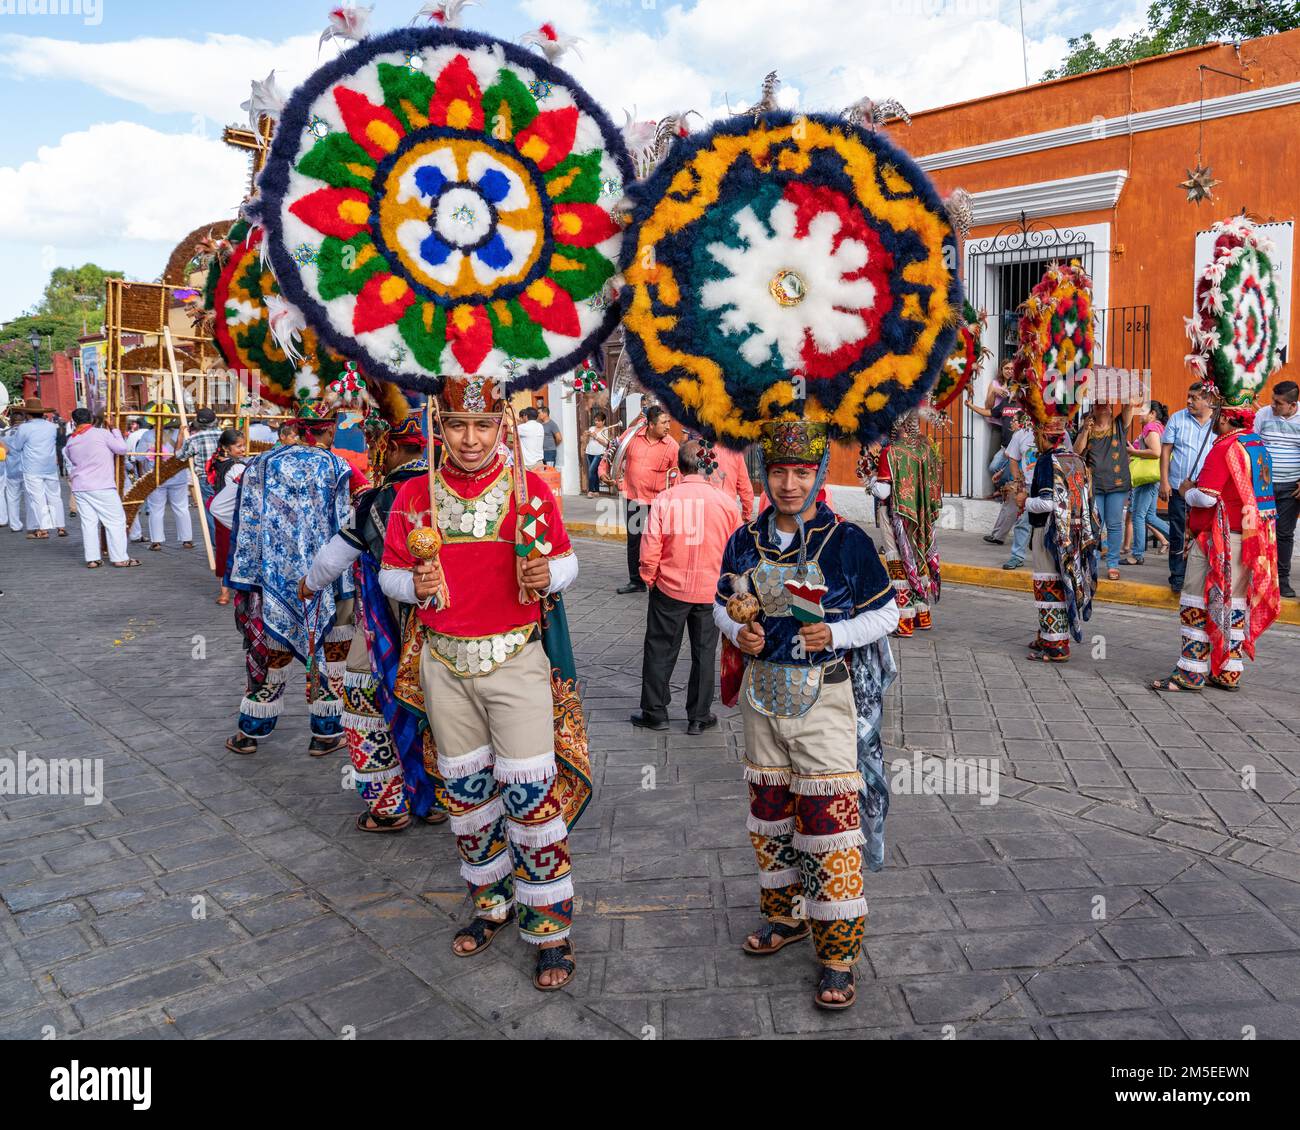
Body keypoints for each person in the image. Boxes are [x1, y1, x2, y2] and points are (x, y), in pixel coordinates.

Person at [380, 375, 590, 992]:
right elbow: (391, 571)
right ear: (438, 427)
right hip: (443, 664)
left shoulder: (532, 493)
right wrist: (410, 587)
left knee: (529, 799)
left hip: (515, 661)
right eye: (457, 426)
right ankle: (491, 903)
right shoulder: (413, 495)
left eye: (482, 426)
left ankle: (550, 929)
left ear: (500, 425)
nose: (469, 440)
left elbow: (568, 562)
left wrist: (546, 572)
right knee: (468, 797)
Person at [713, 419, 899, 1010]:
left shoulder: (849, 541)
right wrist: (736, 630)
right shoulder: (745, 540)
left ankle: (838, 951)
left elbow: (888, 614)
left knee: (828, 825)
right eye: (778, 471)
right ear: (764, 471)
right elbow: (721, 604)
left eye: (801, 472)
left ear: (819, 472)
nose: (789, 485)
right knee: (769, 817)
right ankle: (785, 916)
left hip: (825, 696)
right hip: (761, 699)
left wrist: (837, 633)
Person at [299, 415, 445, 833]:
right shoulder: (448, 491)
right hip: (447, 625)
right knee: (439, 707)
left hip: (387, 623)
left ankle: (388, 805)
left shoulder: (379, 498)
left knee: (365, 698)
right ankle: (436, 798)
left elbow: (336, 555)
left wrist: (308, 584)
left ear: (392, 451)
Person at [224, 405, 355, 758]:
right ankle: (325, 733)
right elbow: (346, 525)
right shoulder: (336, 466)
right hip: (329, 578)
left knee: (274, 656)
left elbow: (231, 512)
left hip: (272, 581)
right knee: (332, 655)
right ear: (327, 431)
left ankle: (250, 731)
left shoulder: (261, 464)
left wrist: (254, 564)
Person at [1152, 402, 1280, 692]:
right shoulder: (1256, 445)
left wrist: (1187, 491)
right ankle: (1228, 670)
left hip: (1219, 540)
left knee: (1195, 600)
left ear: (1223, 417)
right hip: (1247, 539)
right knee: (1234, 604)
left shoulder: (1224, 447)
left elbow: (1208, 497)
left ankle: (1192, 672)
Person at [632, 440, 741, 735]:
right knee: (705, 653)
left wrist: (649, 576)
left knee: (659, 649)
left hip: (669, 586)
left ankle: (655, 711)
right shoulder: (727, 504)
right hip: (711, 591)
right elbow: (736, 552)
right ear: (709, 466)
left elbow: (650, 544)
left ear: (679, 466)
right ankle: (699, 715)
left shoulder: (665, 500)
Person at [1020, 410, 1100, 662]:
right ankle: (1048, 635)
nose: (1034, 439)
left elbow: (1048, 503)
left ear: (1045, 435)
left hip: (1050, 530)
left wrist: (1025, 501)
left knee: (1048, 585)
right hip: (1073, 533)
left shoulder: (1046, 461)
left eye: (1036, 434)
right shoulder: (1074, 458)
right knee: (1062, 581)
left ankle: (1056, 646)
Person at [869, 408, 942, 635]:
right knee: (918, 559)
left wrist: (869, 481)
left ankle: (904, 621)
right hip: (921, 518)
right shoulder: (926, 451)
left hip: (895, 515)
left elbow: (883, 491)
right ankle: (923, 615)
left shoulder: (891, 452)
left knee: (898, 563)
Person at [63, 407, 137, 569]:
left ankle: (92, 558)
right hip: (101, 484)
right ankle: (119, 557)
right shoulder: (101, 434)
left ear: (75, 421)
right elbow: (121, 449)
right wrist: (114, 429)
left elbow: (69, 458)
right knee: (115, 521)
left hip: (80, 486)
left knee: (89, 523)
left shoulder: (72, 440)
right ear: (91, 418)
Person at [616, 405, 679, 594]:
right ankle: (636, 581)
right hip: (633, 497)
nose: (668, 426)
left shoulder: (672, 446)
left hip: (658, 502)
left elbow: (678, 475)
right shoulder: (631, 436)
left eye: (669, 422)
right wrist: (605, 472)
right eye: (664, 423)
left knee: (658, 541)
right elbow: (613, 453)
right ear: (650, 425)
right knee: (634, 540)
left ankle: (659, 581)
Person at [1161, 381, 1217, 594]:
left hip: (1208, 492)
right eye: (1189, 396)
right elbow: (1166, 451)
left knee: (1205, 534)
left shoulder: (1219, 421)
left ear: (1208, 400)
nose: (1189, 401)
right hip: (1178, 488)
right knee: (1178, 533)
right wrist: (1164, 482)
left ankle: (1203, 576)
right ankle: (1177, 576)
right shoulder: (1177, 418)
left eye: (1194, 397)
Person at [1075, 401, 1134, 580]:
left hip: (1117, 485)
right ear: (1093, 409)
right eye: (1099, 405)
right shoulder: (1088, 428)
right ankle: (1091, 562)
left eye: (1106, 405)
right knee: (1094, 526)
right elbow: (1077, 452)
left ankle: (1113, 563)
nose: (1103, 407)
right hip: (1095, 485)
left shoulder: (1119, 424)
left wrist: (1127, 396)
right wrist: (1085, 430)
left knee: (1115, 524)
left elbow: (1129, 407)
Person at [1253, 378, 1300, 598]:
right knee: (1259, 531)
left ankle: (1282, 580)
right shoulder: (1263, 414)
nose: (1273, 405)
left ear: (1293, 405)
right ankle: (1259, 578)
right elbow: (1252, 444)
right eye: (1273, 400)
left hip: (1292, 489)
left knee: (1284, 535)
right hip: (1263, 487)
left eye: (1279, 403)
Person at [7, 398, 66, 539]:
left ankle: (43, 528)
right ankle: (61, 526)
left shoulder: (25, 428)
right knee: (55, 497)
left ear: (28, 414)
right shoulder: (51, 426)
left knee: (38, 498)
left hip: (32, 468)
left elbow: (17, 446)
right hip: (50, 466)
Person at [137, 412, 193, 551]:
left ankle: (156, 541)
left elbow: (138, 457)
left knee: (156, 509)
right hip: (178, 475)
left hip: (157, 476)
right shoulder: (179, 433)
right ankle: (187, 540)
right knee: (181, 508)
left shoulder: (147, 435)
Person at [1125, 400, 1170, 566]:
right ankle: (1179, 537)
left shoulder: (1150, 428)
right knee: (1149, 516)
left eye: (1143, 410)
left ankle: (1137, 555)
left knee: (1138, 516)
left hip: (1146, 478)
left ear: (1153, 414)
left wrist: (1133, 451)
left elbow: (1156, 452)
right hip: (1152, 477)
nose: (1139, 413)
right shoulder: (1159, 427)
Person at [207, 429, 248, 604]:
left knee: (223, 551)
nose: (243, 449)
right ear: (226, 447)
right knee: (239, 551)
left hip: (219, 512)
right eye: (238, 446)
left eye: (243, 445)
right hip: (234, 513)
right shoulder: (238, 467)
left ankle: (224, 592)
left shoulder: (216, 463)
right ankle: (238, 590)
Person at [1000, 411, 1041, 569]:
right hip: (1027, 484)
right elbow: (1013, 458)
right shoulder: (1021, 434)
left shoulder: (1057, 431)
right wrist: (1019, 483)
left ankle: (1050, 557)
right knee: (1022, 521)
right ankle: (1017, 556)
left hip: (1048, 486)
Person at [179, 407, 223, 546]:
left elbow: (180, 456)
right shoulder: (224, 435)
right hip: (225, 476)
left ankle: (216, 545)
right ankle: (226, 543)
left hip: (206, 478)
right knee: (225, 509)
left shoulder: (193, 439)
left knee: (210, 512)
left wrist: (181, 436)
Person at [706, 442, 755, 522]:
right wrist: (746, 515)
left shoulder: (699, 449)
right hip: (728, 508)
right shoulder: (735, 453)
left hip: (706, 509)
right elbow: (745, 487)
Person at [1, 413, 24, 532]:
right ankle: (35, 525)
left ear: (11, 422)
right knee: (31, 498)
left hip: (11, 470)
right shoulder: (27, 432)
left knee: (12, 498)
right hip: (28, 470)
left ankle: (15, 525)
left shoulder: (3, 434)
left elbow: (4, 452)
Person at [583, 409, 612, 497]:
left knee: (591, 470)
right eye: (595, 420)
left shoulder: (605, 430)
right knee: (594, 472)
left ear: (603, 421)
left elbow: (606, 443)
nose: (597, 422)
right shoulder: (591, 428)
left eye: (599, 421)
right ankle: (596, 491)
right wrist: (587, 435)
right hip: (589, 452)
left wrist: (596, 437)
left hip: (599, 453)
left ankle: (591, 491)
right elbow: (587, 441)